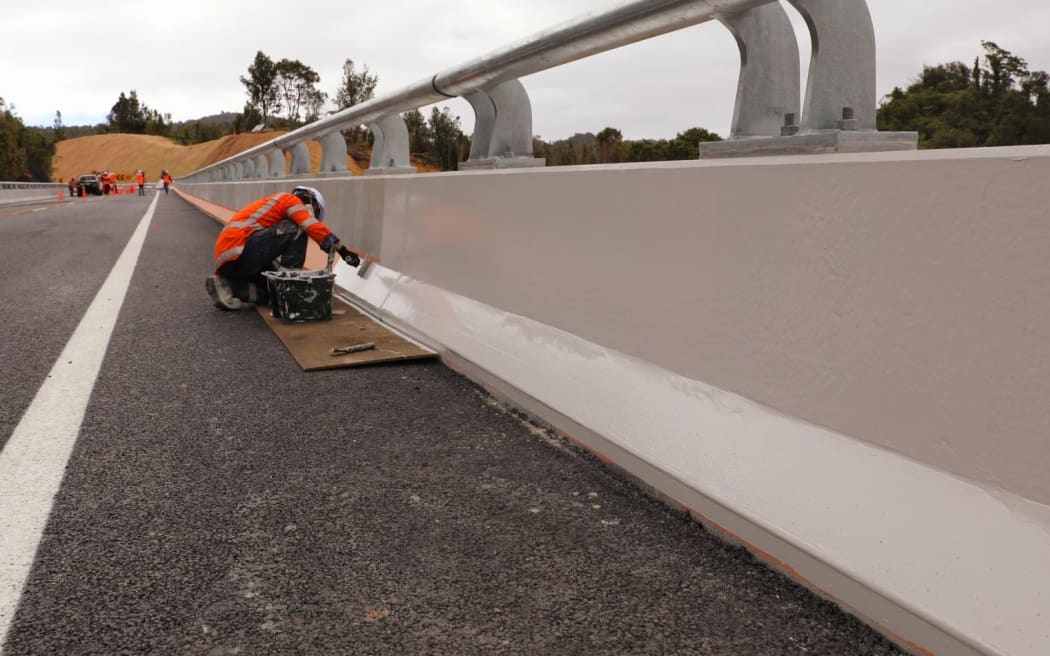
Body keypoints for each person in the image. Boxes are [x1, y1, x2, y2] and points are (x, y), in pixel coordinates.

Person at [206, 186, 360, 310]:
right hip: (238, 248)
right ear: (311, 202)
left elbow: (268, 242)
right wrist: (342, 250)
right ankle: (287, 290)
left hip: (233, 256)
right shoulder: (290, 200)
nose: (310, 216)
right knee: (297, 229)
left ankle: (228, 287)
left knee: (269, 290)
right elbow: (309, 226)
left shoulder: (276, 209)